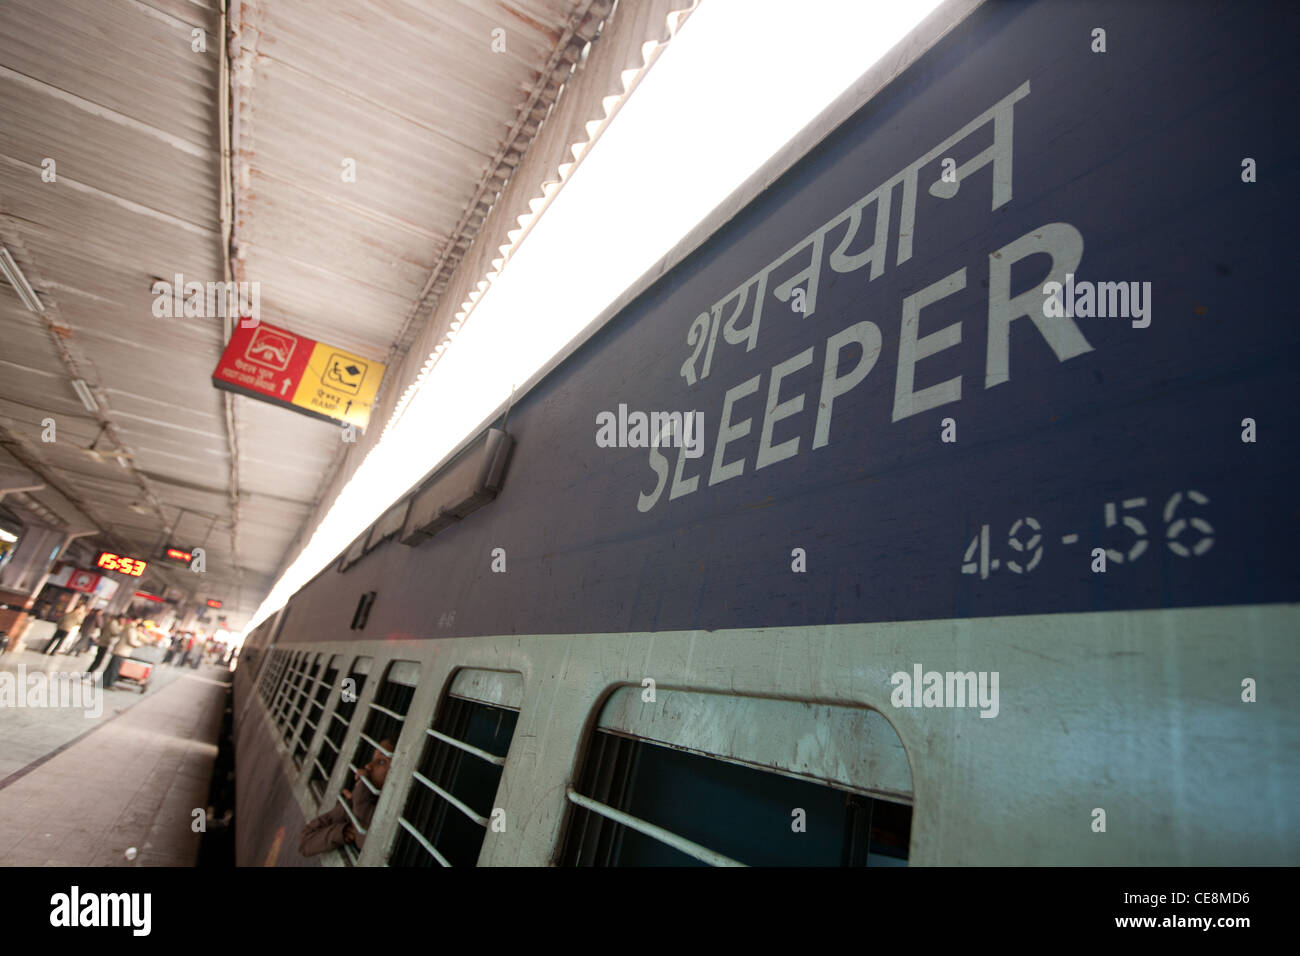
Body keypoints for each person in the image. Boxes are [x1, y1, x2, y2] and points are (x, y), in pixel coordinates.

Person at [298, 740, 394, 857]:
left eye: (382, 761)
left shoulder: (364, 800)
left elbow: (373, 841)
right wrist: (341, 832)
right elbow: (305, 843)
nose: (368, 766)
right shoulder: (356, 800)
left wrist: (360, 792)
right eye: (372, 759)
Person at [102, 616, 142, 690]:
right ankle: (109, 683)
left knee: (111, 667)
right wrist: (139, 644)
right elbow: (131, 641)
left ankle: (103, 682)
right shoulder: (131, 629)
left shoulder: (128, 627)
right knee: (115, 668)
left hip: (119, 650)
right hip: (122, 651)